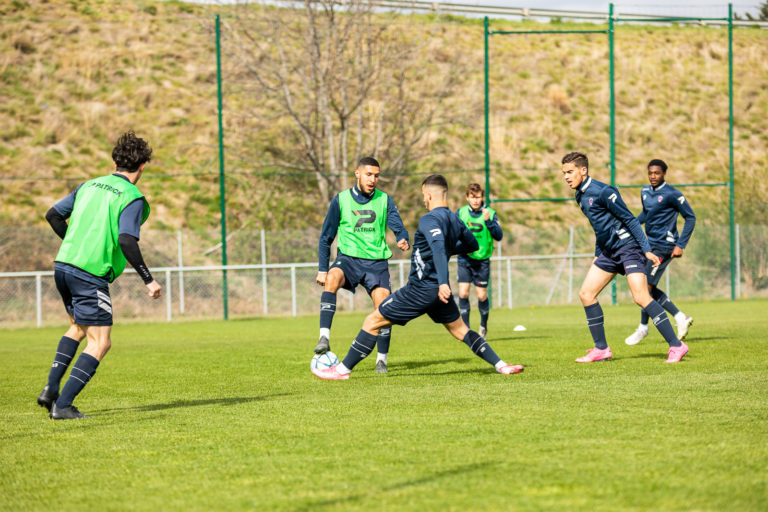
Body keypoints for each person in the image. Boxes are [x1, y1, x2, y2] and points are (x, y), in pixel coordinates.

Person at [311, 174, 523, 380]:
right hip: (438, 295)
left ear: (429, 195)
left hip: (420, 290)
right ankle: (501, 365)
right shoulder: (455, 219)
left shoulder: (428, 220)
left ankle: (341, 370)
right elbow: (472, 245)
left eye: (423, 195)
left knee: (372, 321)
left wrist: (442, 281)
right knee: (462, 331)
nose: (423, 199)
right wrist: (448, 256)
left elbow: (439, 248)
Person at [36, 131, 162, 420]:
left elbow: (52, 215)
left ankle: (50, 390)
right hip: (89, 273)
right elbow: (127, 240)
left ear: (115, 161)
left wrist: (73, 242)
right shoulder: (133, 197)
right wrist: (148, 279)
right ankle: (63, 406)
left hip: (64, 265)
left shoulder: (89, 185)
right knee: (101, 342)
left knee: (79, 328)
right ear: (142, 167)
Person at [561, 152, 688, 364]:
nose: (566, 176)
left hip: (629, 248)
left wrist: (646, 249)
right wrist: (596, 255)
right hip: (608, 251)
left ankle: (676, 345)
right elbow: (599, 228)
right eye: (564, 172)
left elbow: (630, 219)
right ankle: (601, 349)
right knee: (586, 294)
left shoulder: (603, 191)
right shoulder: (580, 196)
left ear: (583, 170)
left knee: (641, 297)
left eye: (570, 172)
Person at [314, 157, 409, 374]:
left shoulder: (385, 200)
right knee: (333, 277)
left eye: (376, 175)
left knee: (384, 307)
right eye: (368, 174)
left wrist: (403, 237)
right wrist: (322, 269)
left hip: (376, 263)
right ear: (357, 173)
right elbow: (326, 237)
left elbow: (398, 227)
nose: (373, 179)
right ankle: (324, 338)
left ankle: (381, 360)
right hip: (348, 259)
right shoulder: (341, 200)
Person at [625, 159, 696, 345]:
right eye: (650, 173)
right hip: (649, 245)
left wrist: (681, 244)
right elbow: (647, 214)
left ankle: (644, 327)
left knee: (645, 287)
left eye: (656, 173)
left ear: (664, 173)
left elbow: (690, 217)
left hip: (665, 245)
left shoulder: (672, 194)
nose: (653, 176)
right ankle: (680, 317)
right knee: (646, 286)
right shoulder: (645, 191)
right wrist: (630, 224)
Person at [456, 183, 502, 338]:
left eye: (478, 197)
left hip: (482, 261)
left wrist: (489, 222)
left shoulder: (490, 213)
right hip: (465, 259)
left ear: (482, 197)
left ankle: (483, 325)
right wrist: (461, 247)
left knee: (481, 295)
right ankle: (466, 330)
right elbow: (454, 235)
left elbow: (499, 236)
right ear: (467, 197)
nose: (475, 201)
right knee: (463, 293)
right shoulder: (461, 213)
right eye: (472, 197)